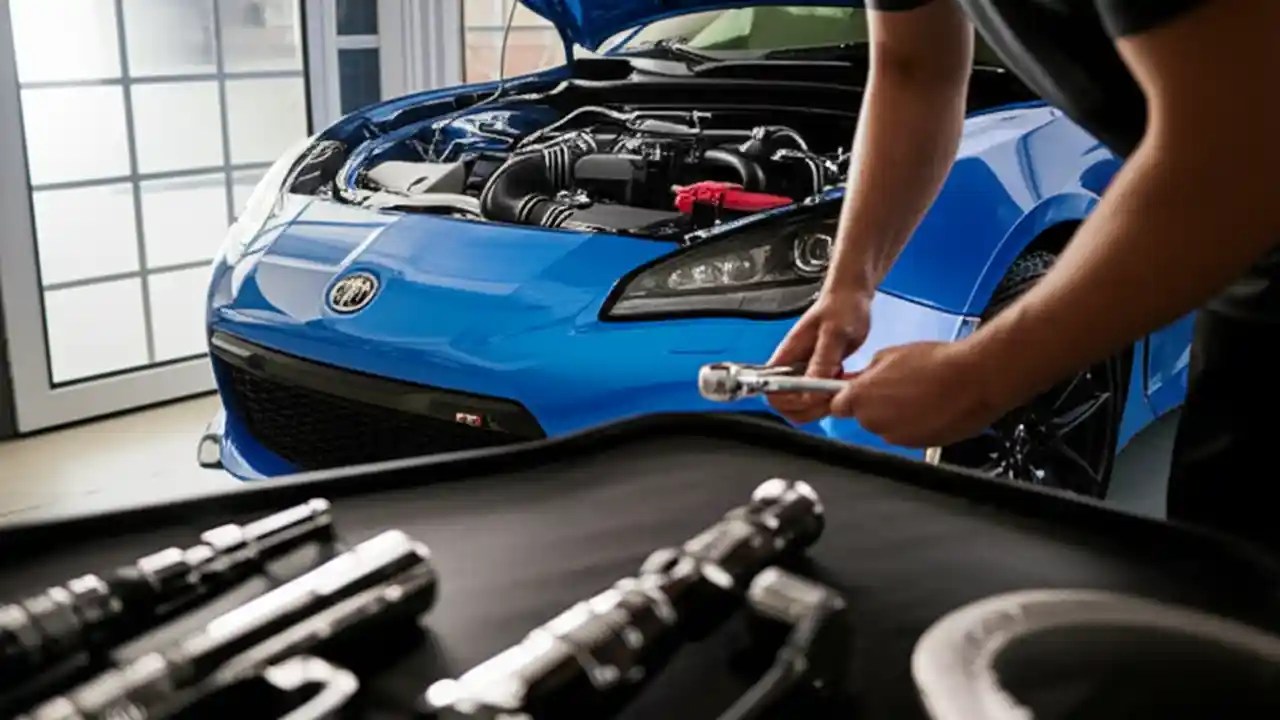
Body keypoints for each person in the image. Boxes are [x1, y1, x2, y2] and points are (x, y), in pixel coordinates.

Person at [767, 0, 1280, 549]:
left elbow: (1242, 143)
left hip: (1250, 196)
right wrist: (849, 285)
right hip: (1251, 256)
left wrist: (980, 378)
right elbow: (912, 69)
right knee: (1223, 561)